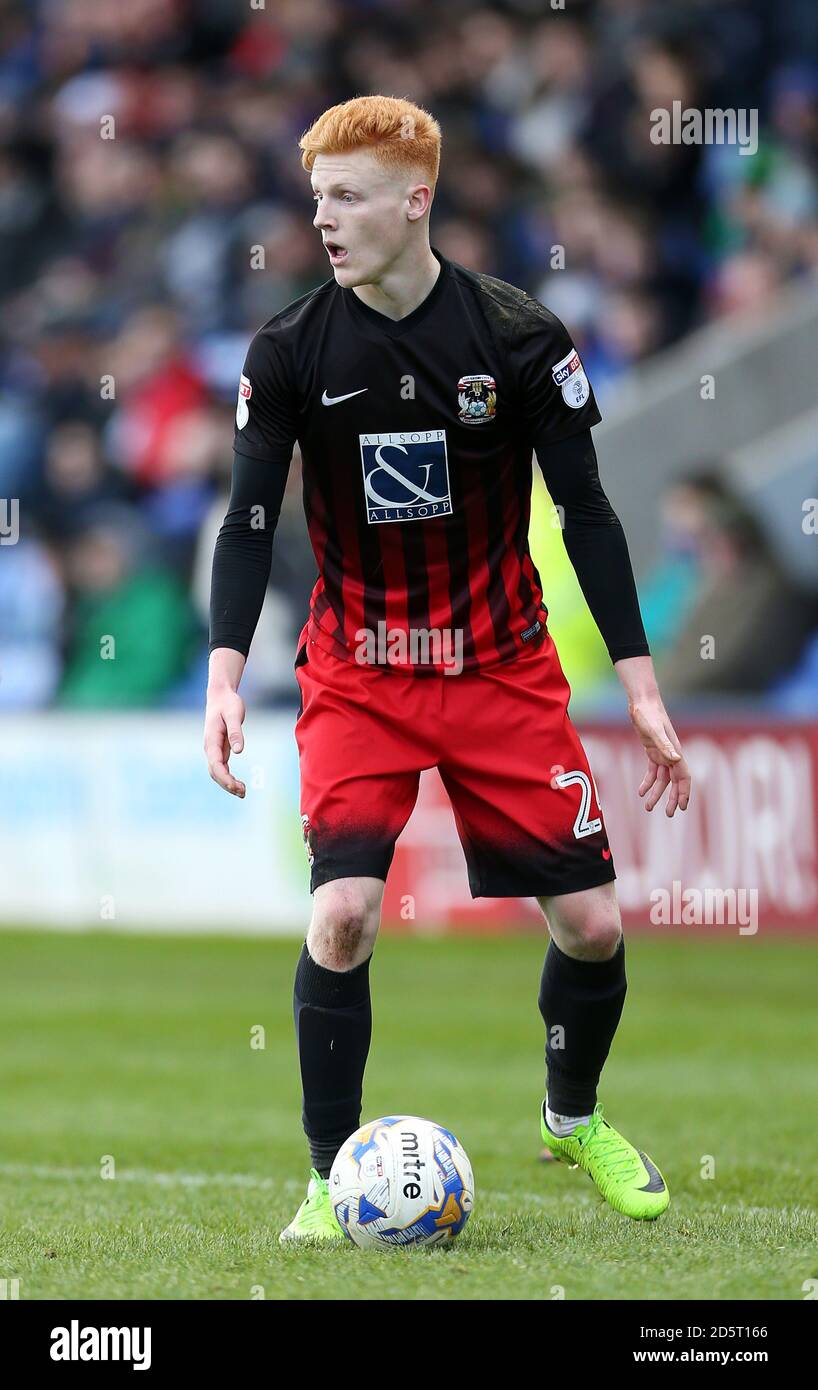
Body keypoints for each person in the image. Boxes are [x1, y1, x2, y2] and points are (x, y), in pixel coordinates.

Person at [204, 96, 691, 1242]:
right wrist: (226, 675)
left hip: (498, 668)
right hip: (360, 670)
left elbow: (587, 512)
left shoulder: (516, 336)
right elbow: (242, 520)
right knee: (343, 916)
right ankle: (329, 1179)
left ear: (414, 201)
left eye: (347, 197)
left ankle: (570, 1117)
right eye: (315, 195)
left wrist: (640, 684)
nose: (322, 219)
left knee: (590, 927)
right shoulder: (286, 350)